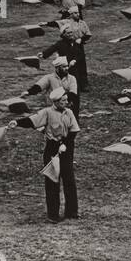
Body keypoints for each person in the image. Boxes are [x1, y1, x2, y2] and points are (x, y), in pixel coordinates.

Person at [41, 88, 80, 222]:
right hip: (52, 148)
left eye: (66, 100)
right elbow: (32, 120)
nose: (66, 102)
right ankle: (53, 215)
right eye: (63, 100)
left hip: (66, 149)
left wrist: (66, 144)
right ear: (56, 102)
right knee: (52, 181)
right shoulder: (47, 112)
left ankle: (72, 211)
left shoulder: (69, 112)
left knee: (69, 179)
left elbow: (74, 131)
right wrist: (17, 122)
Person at [50, 7, 91, 92]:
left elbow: (88, 35)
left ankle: (84, 85)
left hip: (79, 46)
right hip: (69, 46)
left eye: (78, 13)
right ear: (71, 14)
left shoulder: (82, 23)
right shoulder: (66, 22)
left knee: (82, 66)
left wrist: (81, 39)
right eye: (75, 13)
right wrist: (45, 23)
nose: (78, 14)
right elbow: (55, 23)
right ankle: (71, 85)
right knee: (70, 65)